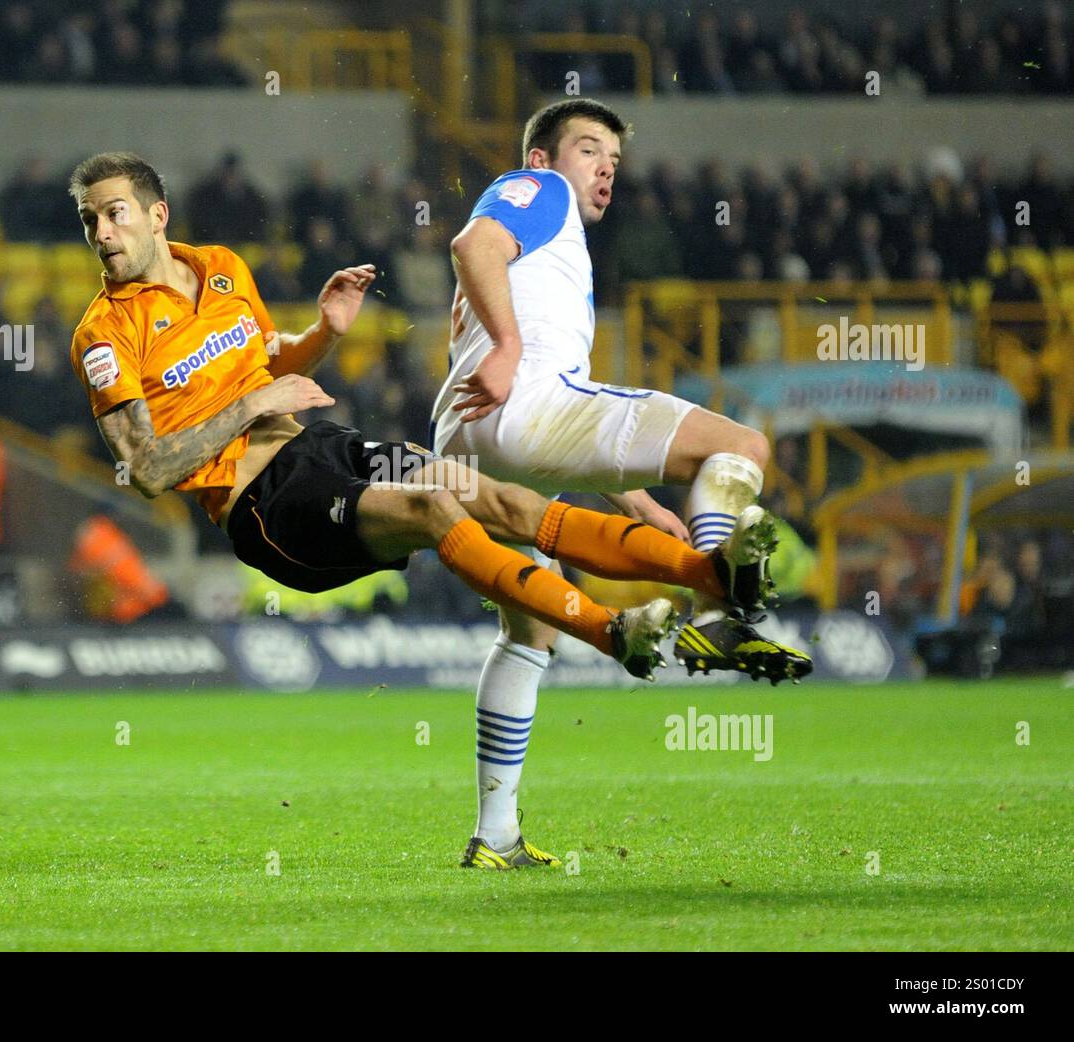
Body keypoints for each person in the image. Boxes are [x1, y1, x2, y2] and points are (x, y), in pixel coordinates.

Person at [63, 152, 775, 772]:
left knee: (499, 502)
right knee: (437, 509)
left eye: (113, 214)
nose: (101, 234)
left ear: (157, 214)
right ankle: (610, 633)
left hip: (321, 449)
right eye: (90, 221)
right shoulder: (105, 331)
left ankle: (713, 577)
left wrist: (322, 334)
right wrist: (250, 411)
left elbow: (262, 364)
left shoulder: (218, 268)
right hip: (267, 509)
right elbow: (148, 464)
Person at [429, 99, 811, 868]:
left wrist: (637, 502)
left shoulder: (555, 254)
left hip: (470, 444)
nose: (604, 167)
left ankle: (494, 832)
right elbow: (472, 243)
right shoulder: (541, 193)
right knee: (738, 445)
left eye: (613, 157)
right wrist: (506, 348)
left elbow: (570, 434)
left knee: (529, 632)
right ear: (544, 159)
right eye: (588, 148)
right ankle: (717, 604)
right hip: (517, 402)